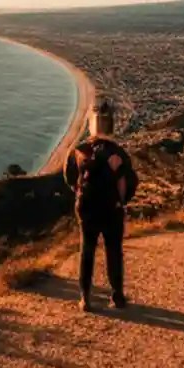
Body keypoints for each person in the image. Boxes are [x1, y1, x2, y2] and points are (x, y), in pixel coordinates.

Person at [63, 98, 138, 312]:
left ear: (92, 124)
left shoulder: (79, 151)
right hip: (111, 211)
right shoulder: (118, 153)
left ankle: (85, 298)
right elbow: (129, 183)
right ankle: (118, 297)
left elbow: (69, 178)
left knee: (87, 251)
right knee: (114, 251)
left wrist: (80, 194)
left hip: (86, 210)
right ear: (111, 125)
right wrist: (120, 203)